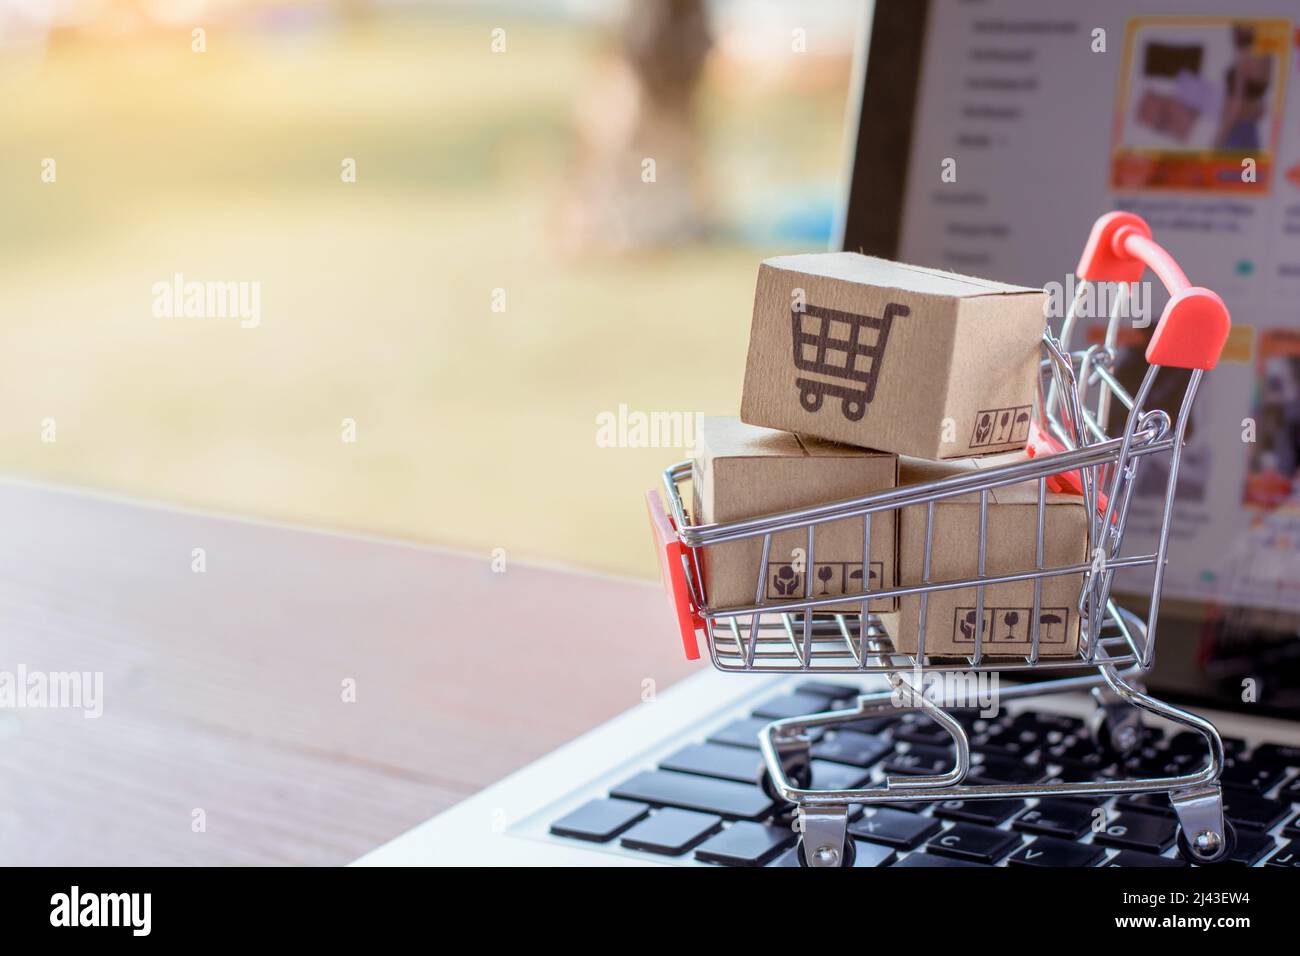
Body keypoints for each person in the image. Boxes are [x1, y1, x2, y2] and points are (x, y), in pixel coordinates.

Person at [1215, 24, 1271, 151]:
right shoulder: (1265, 56)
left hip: (1235, 130)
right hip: (1249, 131)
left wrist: (1218, 138)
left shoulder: (1244, 56)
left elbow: (1237, 103)